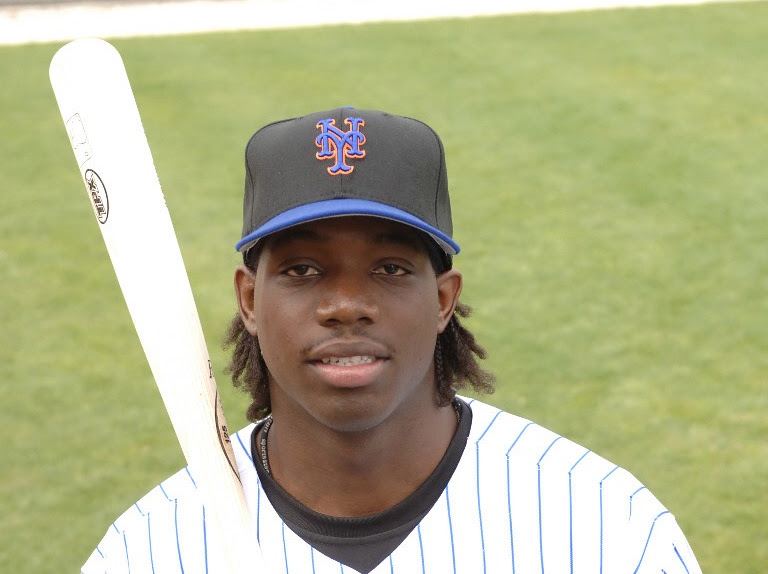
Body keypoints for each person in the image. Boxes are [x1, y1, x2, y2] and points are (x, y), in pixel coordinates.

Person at [81, 107, 701, 573]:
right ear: (249, 299)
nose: (346, 305)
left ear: (442, 298)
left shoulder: (605, 528)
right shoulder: (145, 552)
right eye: (302, 270)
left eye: (390, 268)